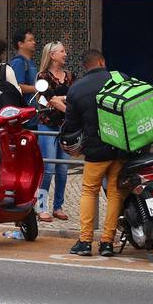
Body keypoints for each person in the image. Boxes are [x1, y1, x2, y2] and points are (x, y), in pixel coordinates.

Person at [58, 48, 131, 257]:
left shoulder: (76, 89)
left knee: (90, 191)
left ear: (84, 67)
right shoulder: (121, 79)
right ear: (102, 62)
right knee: (115, 192)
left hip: (96, 151)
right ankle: (108, 242)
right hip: (120, 148)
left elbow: (72, 125)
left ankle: (85, 241)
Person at [35, 41, 73, 222]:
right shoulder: (42, 76)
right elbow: (51, 100)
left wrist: (61, 98)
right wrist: (67, 107)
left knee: (63, 170)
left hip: (65, 127)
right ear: (52, 55)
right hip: (48, 125)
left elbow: (74, 97)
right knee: (48, 168)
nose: (65, 54)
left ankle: (58, 206)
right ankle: (41, 207)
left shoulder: (69, 76)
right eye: (62, 51)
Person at [8, 30, 38, 97]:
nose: (34, 43)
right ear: (20, 44)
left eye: (33, 40)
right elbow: (16, 86)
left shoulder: (31, 62)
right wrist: (36, 89)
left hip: (32, 105)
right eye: (30, 40)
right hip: (23, 105)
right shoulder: (18, 62)